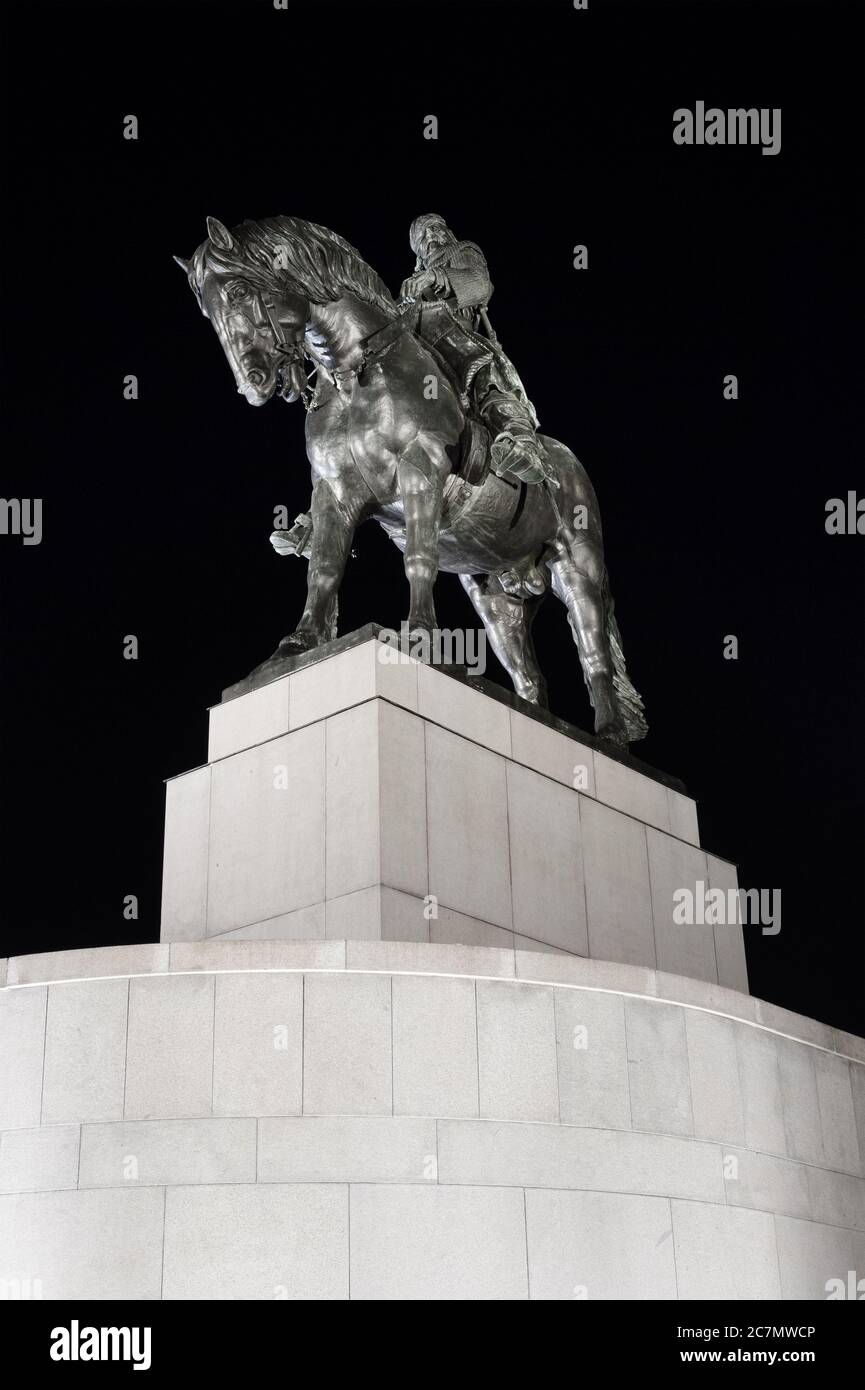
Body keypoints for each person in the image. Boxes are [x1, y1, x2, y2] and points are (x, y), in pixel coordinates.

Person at [400, 213, 555, 486]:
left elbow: (480, 283)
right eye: (423, 236)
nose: (431, 237)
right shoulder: (412, 280)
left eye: (435, 229)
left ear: (446, 231)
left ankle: (518, 436)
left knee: (481, 364)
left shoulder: (461, 251)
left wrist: (434, 277)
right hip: (419, 346)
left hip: (456, 333)